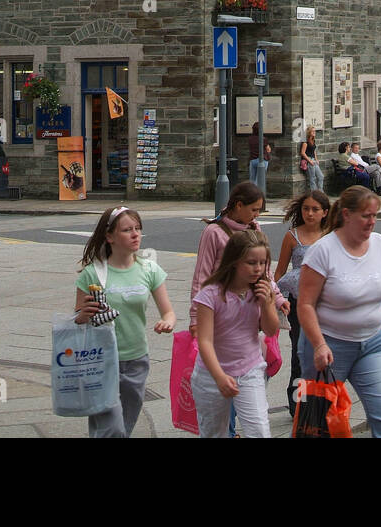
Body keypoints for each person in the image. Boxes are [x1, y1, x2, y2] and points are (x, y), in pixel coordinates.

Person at [297, 186, 381, 437]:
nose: (372, 222)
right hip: (329, 348)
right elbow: (305, 304)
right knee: (317, 425)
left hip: (373, 344)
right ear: (346, 214)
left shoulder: (379, 243)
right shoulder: (322, 251)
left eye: (375, 215)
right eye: (366, 216)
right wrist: (320, 345)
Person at [190, 181, 288, 434]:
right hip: (212, 373)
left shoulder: (258, 285)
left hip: (250, 369)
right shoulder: (214, 235)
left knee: (259, 430)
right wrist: (194, 318)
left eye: (261, 263)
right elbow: (206, 341)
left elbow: (270, 329)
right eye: (251, 263)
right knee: (216, 432)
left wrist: (271, 301)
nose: (258, 269)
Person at [74, 206, 175, 437]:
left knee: (123, 426)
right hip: (101, 360)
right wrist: (82, 316)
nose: (135, 234)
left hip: (137, 360)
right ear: (109, 237)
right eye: (127, 230)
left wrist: (166, 322)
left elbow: (168, 311)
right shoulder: (91, 274)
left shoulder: (150, 270)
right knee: (113, 428)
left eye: (138, 229)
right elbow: (76, 321)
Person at [274, 189, 330, 405]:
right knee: (300, 353)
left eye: (315, 209)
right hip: (298, 303)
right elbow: (279, 272)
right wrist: (276, 300)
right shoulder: (292, 236)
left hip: (325, 303)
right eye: (306, 209)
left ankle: (322, 397)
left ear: (325, 212)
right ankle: (298, 402)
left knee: (324, 350)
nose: (309, 213)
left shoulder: (331, 236)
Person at [247, 123, 271, 192]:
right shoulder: (263, 139)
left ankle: (251, 193)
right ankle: (257, 195)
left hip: (252, 160)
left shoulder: (250, 139)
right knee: (259, 180)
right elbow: (268, 149)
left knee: (252, 180)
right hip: (262, 160)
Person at [299, 125, 324, 192]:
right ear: (309, 132)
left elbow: (314, 151)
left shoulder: (313, 140)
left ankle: (320, 191)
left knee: (321, 176)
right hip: (309, 161)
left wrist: (316, 159)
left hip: (314, 160)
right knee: (312, 178)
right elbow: (302, 153)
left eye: (314, 131)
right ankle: (314, 193)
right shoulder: (305, 142)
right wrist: (309, 161)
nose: (314, 132)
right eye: (312, 131)